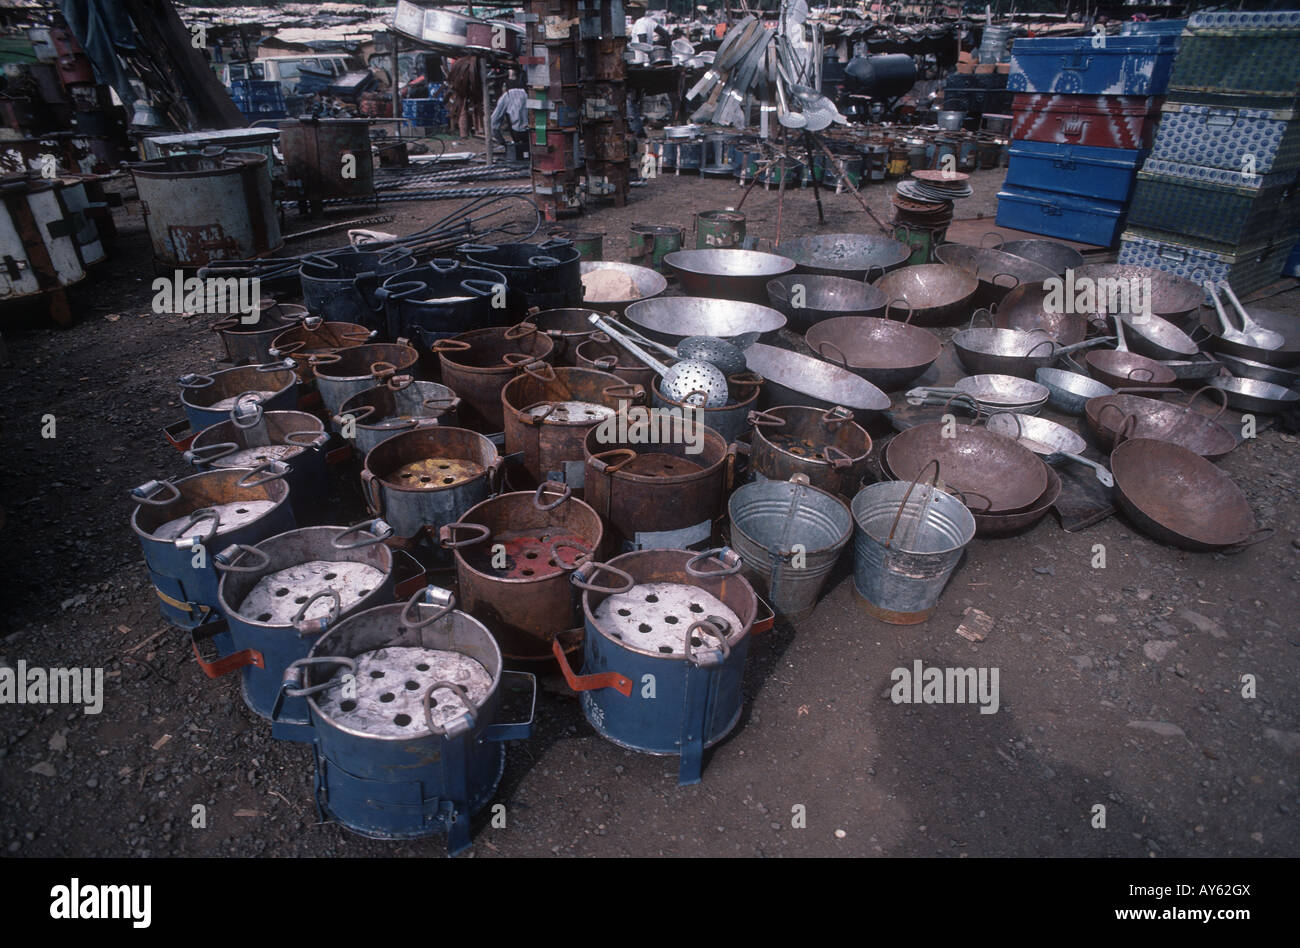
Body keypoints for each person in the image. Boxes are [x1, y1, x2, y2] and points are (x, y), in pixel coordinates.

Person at [490, 78, 529, 159]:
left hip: (517, 133)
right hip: (532, 132)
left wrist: (501, 141)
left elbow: (493, 123)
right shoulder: (529, 93)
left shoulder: (507, 96)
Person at [445, 54, 482, 138]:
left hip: (463, 87)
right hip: (469, 87)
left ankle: (465, 133)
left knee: (464, 110)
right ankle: (478, 130)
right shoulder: (471, 60)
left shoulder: (456, 61)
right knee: (474, 108)